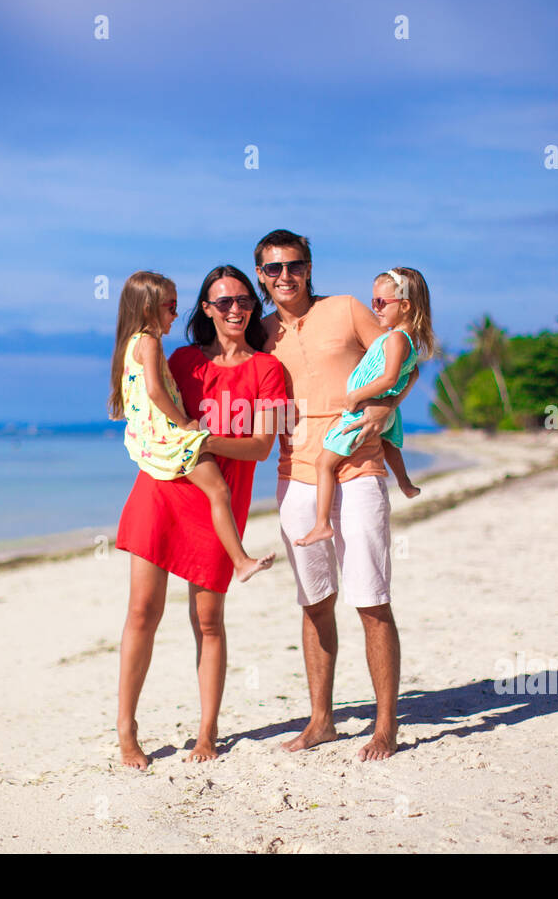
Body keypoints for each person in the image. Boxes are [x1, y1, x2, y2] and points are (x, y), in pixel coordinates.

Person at [115, 266, 288, 769]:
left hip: (219, 503)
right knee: (143, 612)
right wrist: (180, 439)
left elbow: (259, 448)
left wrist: (200, 438)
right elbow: (146, 404)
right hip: (161, 492)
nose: (236, 309)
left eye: (244, 300)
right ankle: (126, 732)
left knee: (208, 621)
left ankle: (206, 733)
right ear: (206, 310)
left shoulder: (269, 369)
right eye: (223, 302)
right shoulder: (182, 359)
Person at [257, 229, 418, 761]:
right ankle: (321, 721)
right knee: (314, 603)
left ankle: (385, 726)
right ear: (261, 275)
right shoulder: (259, 333)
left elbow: (404, 356)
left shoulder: (348, 309)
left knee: (371, 600)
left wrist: (384, 410)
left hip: (361, 469)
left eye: (295, 265)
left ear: (308, 267)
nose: (286, 276)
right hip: (294, 475)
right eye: (274, 268)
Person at [110, 270, 275, 583]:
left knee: (218, 493)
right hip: (172, 441)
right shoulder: (154, 344)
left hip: (154, 441)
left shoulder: (132, 344)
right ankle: (240, 560)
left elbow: (262, 447)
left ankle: (240, 561)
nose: (174, 314)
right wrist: (187, 424)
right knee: (219, 490)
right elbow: (157, 391)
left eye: (244, 301)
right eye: (170, 307)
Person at [295, 267, 434, 547]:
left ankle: (321, 524)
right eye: (373, 302)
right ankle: (405, 483)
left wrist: (356, 396)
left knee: (324, 463)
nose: (376, 309)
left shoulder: (395, 338)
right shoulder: (404, 340)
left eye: (382, 303)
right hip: (381, 409)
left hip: (360, 411)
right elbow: (413, 375)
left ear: (405, 305)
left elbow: (390, 378)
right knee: (388, 445)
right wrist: (392, 404)